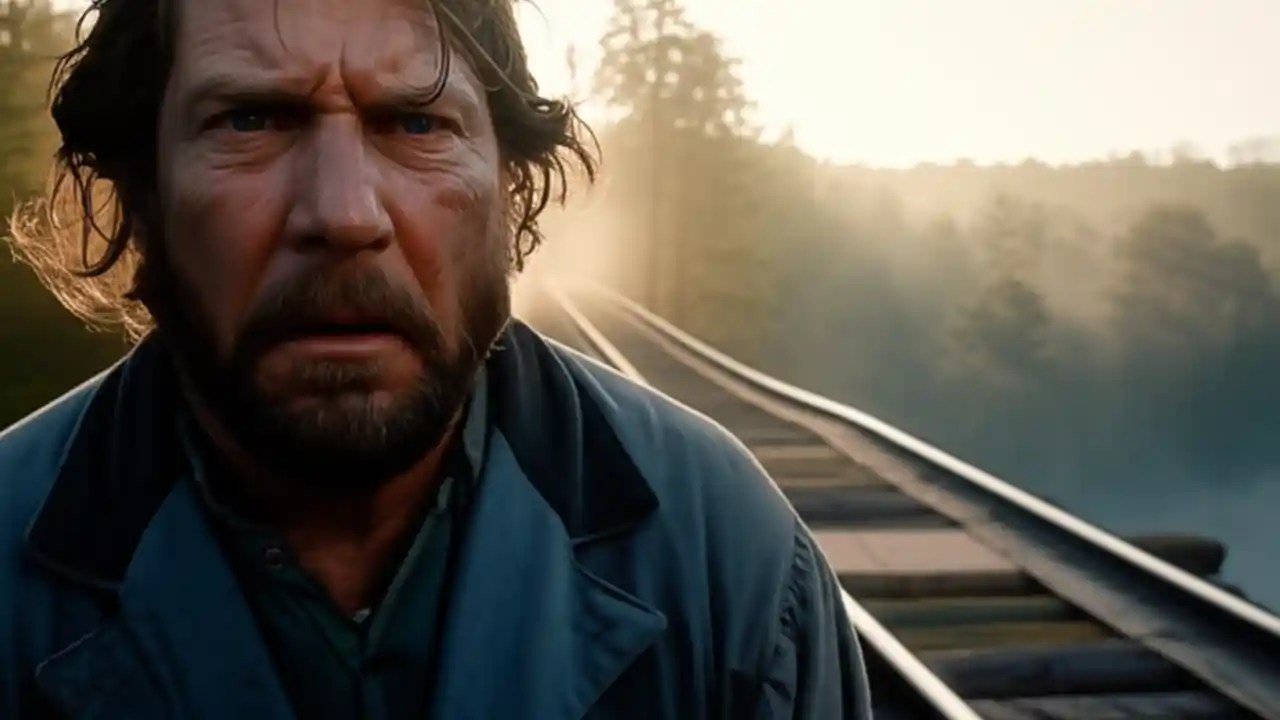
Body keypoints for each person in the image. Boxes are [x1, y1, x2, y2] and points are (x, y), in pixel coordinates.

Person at [0, 0, 871, 717]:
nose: (345, 215)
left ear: (511, 189)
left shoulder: (722, 555)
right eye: (251, 120)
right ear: (142, 190)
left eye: (416, 122)